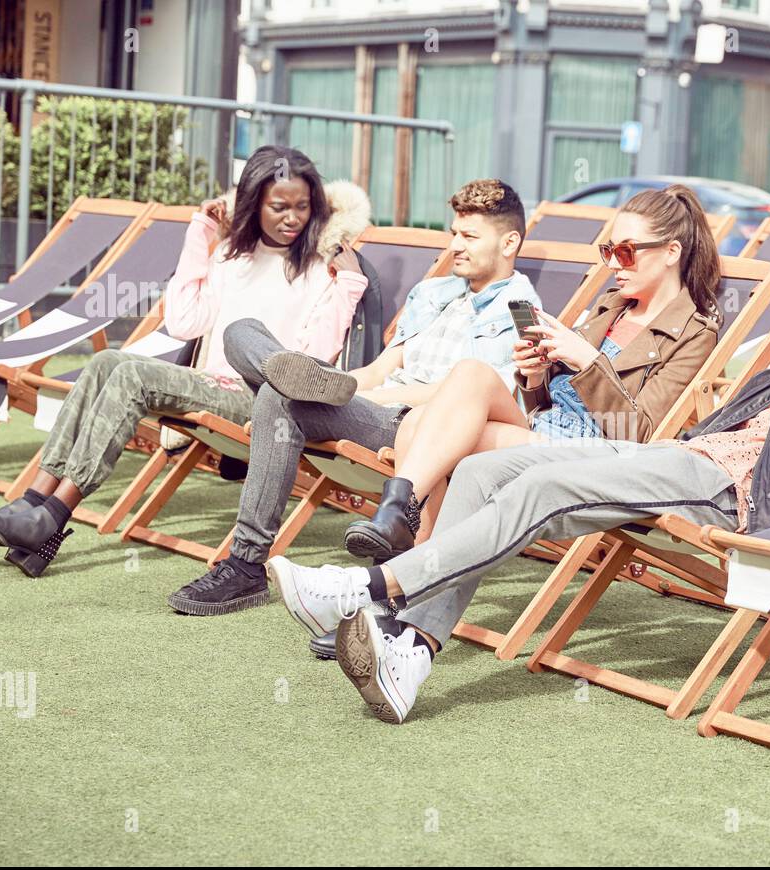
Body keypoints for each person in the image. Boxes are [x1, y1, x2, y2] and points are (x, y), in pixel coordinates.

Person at [270, 237, 770, 723]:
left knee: (541, 492)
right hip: (673, 460)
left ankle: (366, 588)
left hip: (724, 491)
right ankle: (411, 656)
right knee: (481, 470)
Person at [0, 145, 369, 577]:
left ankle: (50, 516)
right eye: (279, 207)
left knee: (132, 375)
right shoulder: (230, 257)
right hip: (211, 383)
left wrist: (349, 284)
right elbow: (184, 322)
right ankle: (31, 505)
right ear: (254, 204)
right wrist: (200, 234)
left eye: (301, 207)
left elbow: (316, 358)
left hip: (260, 397)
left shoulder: (322, 266)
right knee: (107, 361)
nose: (291, 218)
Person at [166, 179, 539, 633]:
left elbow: (470, 396)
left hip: (416, 425)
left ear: (509, 241)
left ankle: (246, 564)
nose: (455, 246)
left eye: (468, 236)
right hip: (371, 400)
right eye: (454, 233)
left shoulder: (520, 310)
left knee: (277, 395)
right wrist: (343, 385)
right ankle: (247, 564)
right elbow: (382, 368)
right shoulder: (433, 294)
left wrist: (354, 395)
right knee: (243, 334)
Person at [338, 184, 720, 564]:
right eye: (608, 251)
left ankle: (398, 556)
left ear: (671, 252)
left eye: (626, 252)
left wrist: (588, 362)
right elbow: (547, 403)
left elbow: (637, 432)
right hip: (543, 429)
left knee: (423, 423)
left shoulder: (693, 333)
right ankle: (401, 535)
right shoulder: (611, 307)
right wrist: (535, 376)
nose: (615, 265)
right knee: (456, 386)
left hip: (598, 453)